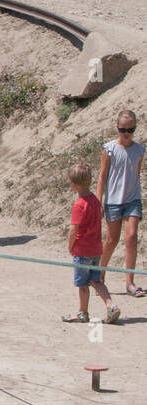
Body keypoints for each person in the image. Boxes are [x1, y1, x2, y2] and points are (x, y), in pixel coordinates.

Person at [65, 163, 121, 325]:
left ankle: (83, 313)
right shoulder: (96, 201)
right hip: (96, 250)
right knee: (96, 280)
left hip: (82, 251)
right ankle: (111, 305)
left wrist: (70, 246)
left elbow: (73, 230)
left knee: (83, 284)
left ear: (74, 185)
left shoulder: (79, 205)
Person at [97, 110, 145, 298]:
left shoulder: (140, 150)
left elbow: (137, 174)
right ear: (117, 128)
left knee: (132, 237)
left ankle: (130, 282)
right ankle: (99, 274)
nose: (127, 134)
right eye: (123, 129)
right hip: (113, 200)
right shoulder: (109, 149)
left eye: (131, 130)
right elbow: (102, 176)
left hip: (132, 199)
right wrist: (99, 200)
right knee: (112, 240)